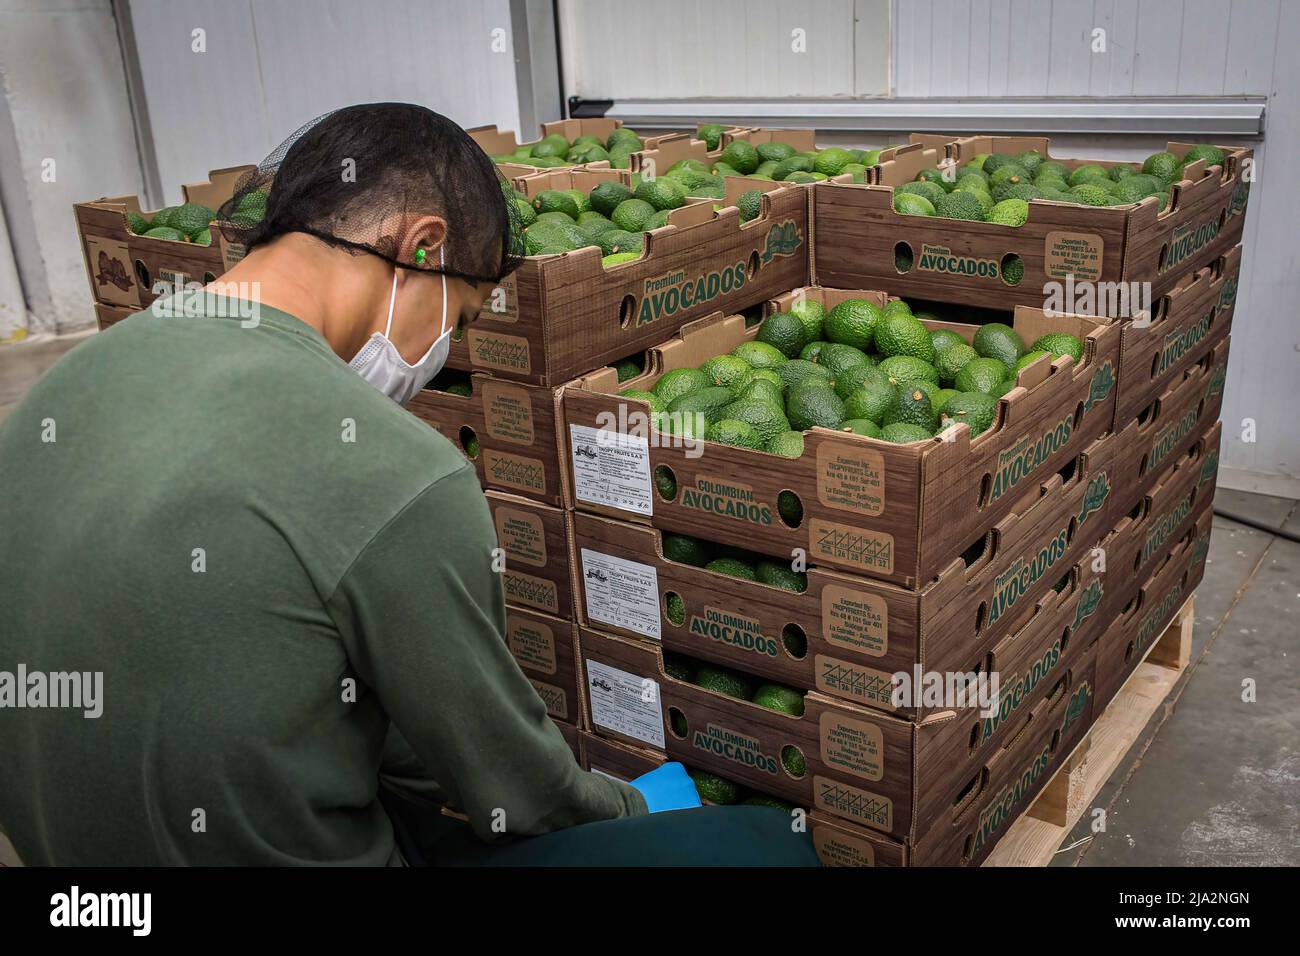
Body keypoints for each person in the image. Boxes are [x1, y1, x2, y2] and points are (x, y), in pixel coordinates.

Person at [0, 103, 818, 867]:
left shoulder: (65, 387)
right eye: (459, 318)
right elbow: (520, 794)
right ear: (423, 247)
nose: (443, 356)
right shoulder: (399, 473)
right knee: (764, 848)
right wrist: (643, 814)